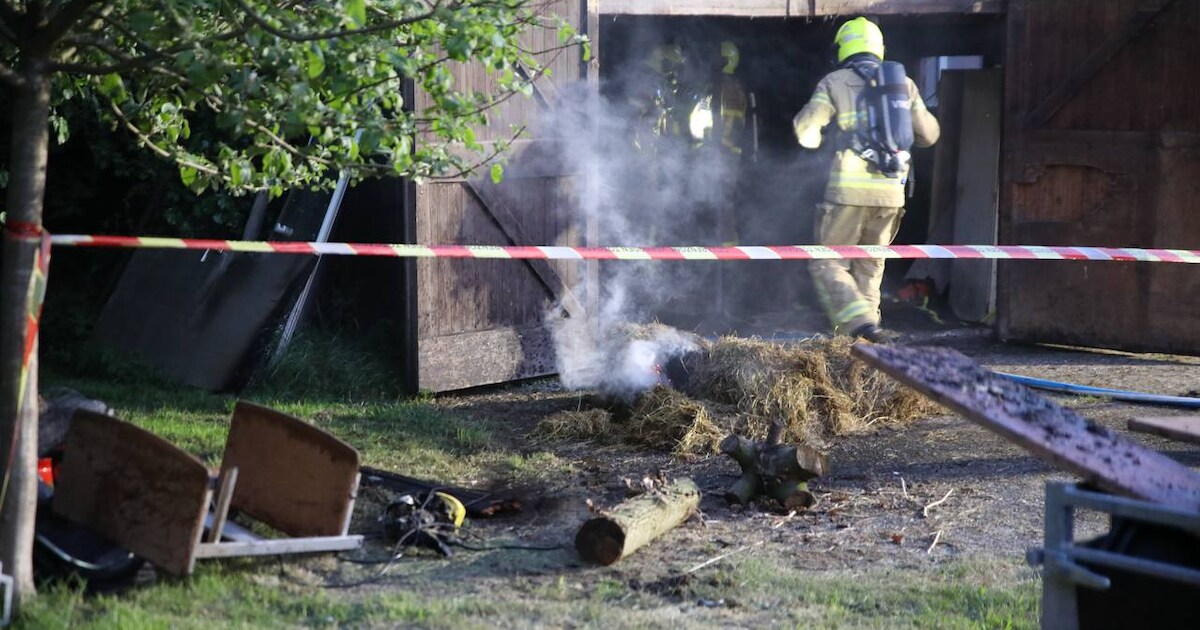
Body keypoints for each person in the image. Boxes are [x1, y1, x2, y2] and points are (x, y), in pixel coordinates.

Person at [792, 17, 939, 342]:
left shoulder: (835, 81)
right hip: (891, 193)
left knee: (827, 263)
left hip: (849, 191)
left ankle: (860, 326)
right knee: (869, 268)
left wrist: (819, 139)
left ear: (842, 48)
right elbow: (929, 135)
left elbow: (805, 132)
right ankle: (866, 349)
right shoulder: (904, 84)